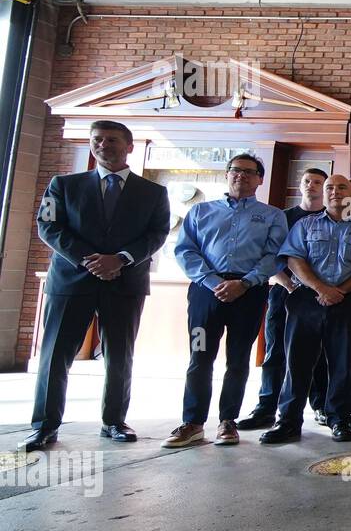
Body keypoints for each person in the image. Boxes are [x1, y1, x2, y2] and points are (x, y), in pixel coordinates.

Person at [28, 120, 170, 452]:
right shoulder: (62, 185)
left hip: (125, 282)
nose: (104, 145)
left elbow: (157, 233)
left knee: (120, 355)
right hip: (71, 281)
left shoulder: (154, 192)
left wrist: (120, 259)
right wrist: (88, 259)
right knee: (55, 355)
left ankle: (114, 421)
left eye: (112, 140)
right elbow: (47, 225)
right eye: (97, 140)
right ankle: (44, 425)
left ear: (129, 146)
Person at [166, 153, 287, 448]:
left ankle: (227, 421)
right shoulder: (201, 212)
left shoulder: (272, 215)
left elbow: (275, 256)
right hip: (205, 293)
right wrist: (213, 282)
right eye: (235, 170)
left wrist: (245, 282)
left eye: (248, 172)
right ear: (226, 174)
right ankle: (193, 422)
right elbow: (185, 251)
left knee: (238, 358)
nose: (241, 176)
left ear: (259, 179)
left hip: (249, 293)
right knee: (200, 356)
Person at [260, 174, 351, 444]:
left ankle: (339, 419)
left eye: (342, 187)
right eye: (330, 188)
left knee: (342, 363)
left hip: (349, 301)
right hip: (307, 300)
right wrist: (320, 288)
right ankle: (289, 421)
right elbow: (294, 259)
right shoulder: (305, 225)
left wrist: (341, 291)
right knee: (297, 362)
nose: (335, 192)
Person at [239, 168, 328, 430]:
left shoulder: (330, 219)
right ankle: (266, 407)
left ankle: (320, 405)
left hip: (318, 296)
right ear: (300, 185)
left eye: (317, 182)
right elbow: (268, 255)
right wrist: (288, 284)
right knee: (275, 350)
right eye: (307, 181)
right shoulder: (282, 217)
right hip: (284, 291)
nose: (311, 185)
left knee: (318, 353)